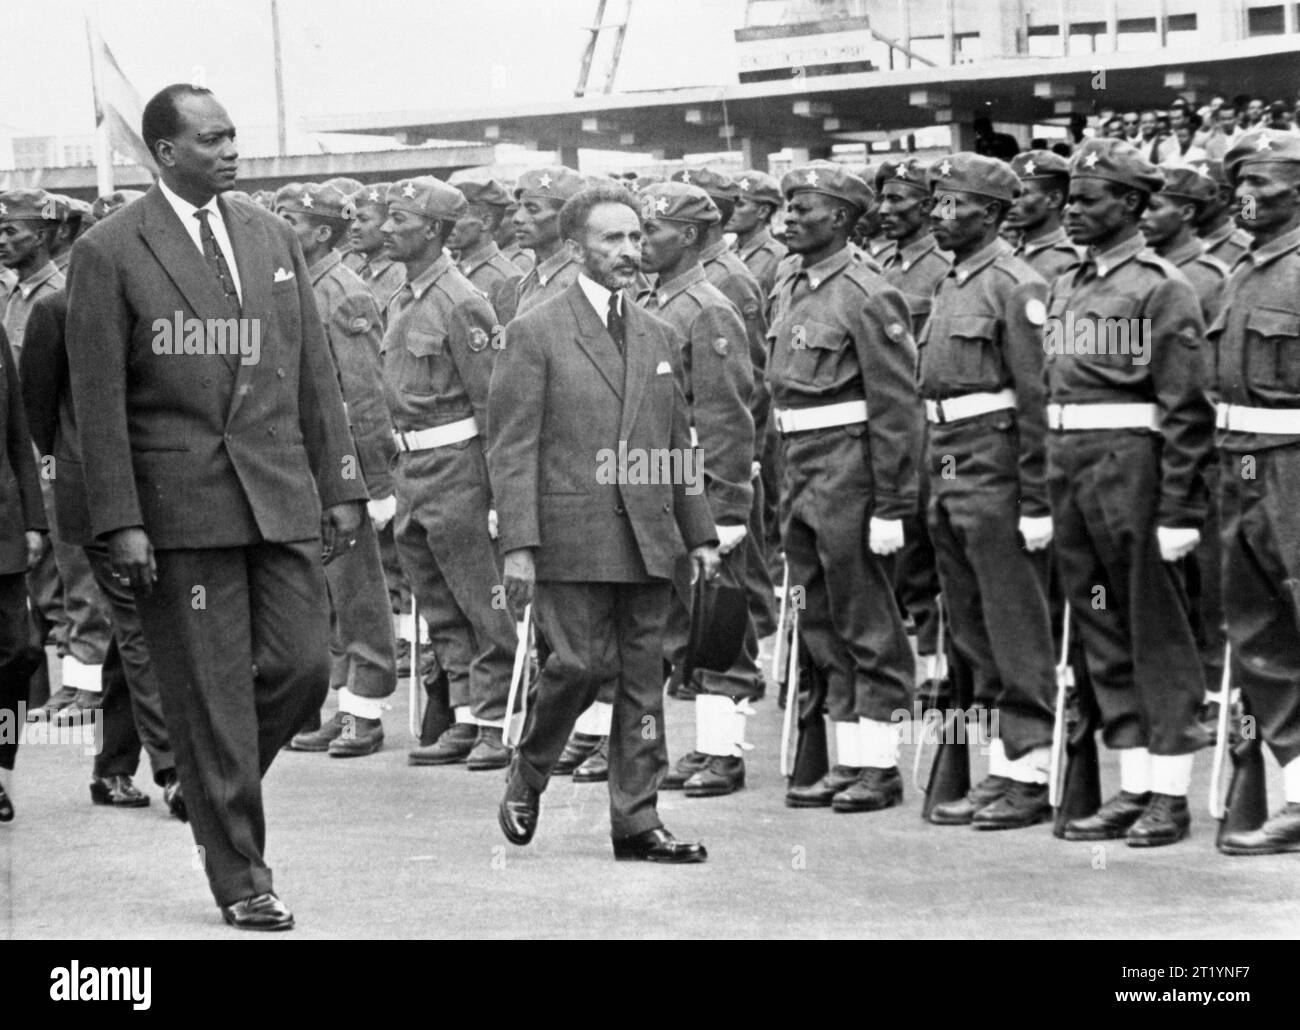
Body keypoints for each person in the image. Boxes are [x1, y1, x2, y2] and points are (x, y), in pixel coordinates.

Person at [64, 84, 367, 930]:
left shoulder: (271, 236)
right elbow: (98, 400)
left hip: (277, 496)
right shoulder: (110, 251)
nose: (231, 151)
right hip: (179, 509)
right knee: (212, 694)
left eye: (233, 136)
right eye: (211, 139)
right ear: (164, 152)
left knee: (304, 667)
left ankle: (208, 785)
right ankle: (243, 878)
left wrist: (339, 483)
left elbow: (312, 371)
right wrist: (121, 518)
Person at [490, 183, 720, 861]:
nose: (629, 251)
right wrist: (520, 548)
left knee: (644, 680)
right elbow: (512, 447)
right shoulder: (535, 330)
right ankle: (530, 768)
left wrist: (699, 530)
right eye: (611, 239)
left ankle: (638, 820)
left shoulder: (658, 331)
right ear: (576, 248)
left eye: (634, 237)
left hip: (648, 536)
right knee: (581, 666)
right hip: (572, 534)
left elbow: (678, 444)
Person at [1046, 138, 1214, 847]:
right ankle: (1136, 781)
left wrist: (1179, 508)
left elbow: (1185, 407)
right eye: (1071, 199)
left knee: (1155, 631)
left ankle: (1170, 793)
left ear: (1133, 205)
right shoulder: (1068, 283)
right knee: (1101, 629)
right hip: (1071, 470)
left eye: (1089, 200)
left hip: (1132, 471)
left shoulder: (1160, 286)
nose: (1072, 211)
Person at [769, 162, 921, 813]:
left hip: (849, 471)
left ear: (841, 217)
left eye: (805, 207)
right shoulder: (791, 286)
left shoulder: (865, 292)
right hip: (800, 467)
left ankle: (880, 766)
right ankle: (853, 755)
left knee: (865, 616)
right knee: (820, 618)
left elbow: (896, 405)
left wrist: (892, 502)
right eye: (789, 206)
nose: (791, 217)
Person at [920, 153, 1057, 829]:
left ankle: (1029, 770)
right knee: (971, 626)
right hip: (947, 462)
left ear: (995, 214)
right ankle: (1002, 766)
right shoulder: (953, 283)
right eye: (938, 203)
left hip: (996, 464)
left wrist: (1037, 498)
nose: (940, 215)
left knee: (1014, 621)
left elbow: (1037, 398)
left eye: (956, 205)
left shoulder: (1016, 285)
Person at [22, 261, 185, 816]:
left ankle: (112, 767)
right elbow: (34, 417)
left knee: (129, 635)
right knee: (142, 624)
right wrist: (47, 494)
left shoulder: (160, 307)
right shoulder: (55, 310)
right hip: (94, 499)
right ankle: (173, 768)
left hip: (157, 493)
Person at [380, 177, 516, 771]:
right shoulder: (403, 298)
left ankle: (498, 719)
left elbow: (494, 404)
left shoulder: (463, 302)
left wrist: (496, 493)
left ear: (433, 231)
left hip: (458, 467)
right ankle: (464, 714)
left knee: (482, 598)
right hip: (412, 466)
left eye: (400, 220)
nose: (387, 228)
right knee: (438, 600)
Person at [638, 181, 756, 797]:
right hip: (650, 477)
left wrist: (727, 508)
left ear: (687, 236)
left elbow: (726, 416)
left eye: (651, 231)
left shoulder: (707, 307)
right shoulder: (646, 299)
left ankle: (723, 750)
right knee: (670, 617)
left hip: (694, 480)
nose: (639, 242)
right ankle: (691, 745)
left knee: (717, 621)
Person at [274, 182, 398, 758]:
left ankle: (365, 712)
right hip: (301, 458)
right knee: (325, 589)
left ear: (322, 232)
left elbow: (366, 397)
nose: (280, 227)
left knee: (358, 591)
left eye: (290, 219)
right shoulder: (293, 284)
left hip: (341, 461)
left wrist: (372, 482)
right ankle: (342, 702)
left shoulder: (343, 294)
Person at [1209, 129, 1300, 854]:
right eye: (1241, 183)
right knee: (1259, 630)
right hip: (1239, 464)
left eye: (1263, 184)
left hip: (1296, 463)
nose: (1247, 196)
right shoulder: (1240, 271)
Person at [1, 189, 110, 722]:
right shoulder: (15, 295)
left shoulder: (65, 293)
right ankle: (71, 681)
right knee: (48, 581)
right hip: (24, 460)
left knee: (80, 574)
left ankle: (92, 686)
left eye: (12, 232)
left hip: (59, 452)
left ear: (44, 235)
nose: (2, 242)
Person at [0, 324, 48, 822]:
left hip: (4, 527)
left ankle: (1, 767)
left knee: (20, 651)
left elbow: (17, 429)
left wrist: (34, 519)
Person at [449, 177, 523, 323]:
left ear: (485, 222)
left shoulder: (506, 278)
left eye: (456, 218)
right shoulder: (451, 269)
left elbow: (502, 339)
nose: (448, 225)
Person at [1007, 150, 1083, 281]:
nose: (1012, 203)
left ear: (1054, 199)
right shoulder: (1009, 255)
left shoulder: (1072, 261)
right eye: (1012, 195)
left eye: (1022, 194)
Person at [729, 170, 787, 307]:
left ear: (763, 211)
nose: (730, 211)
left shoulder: (780, 258)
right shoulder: (728, 253)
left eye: (740, 205)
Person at [345, 182, 406, 309]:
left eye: (363, 219)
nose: (354, 227)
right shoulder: (360, 270)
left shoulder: (400, 274)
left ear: (388, 223)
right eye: (353, 220)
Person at [1194, 159, 1253, 268]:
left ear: (1223, 198)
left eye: (1196, 195)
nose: (1189, 204)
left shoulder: (1245, 250)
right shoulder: (1170, 240)